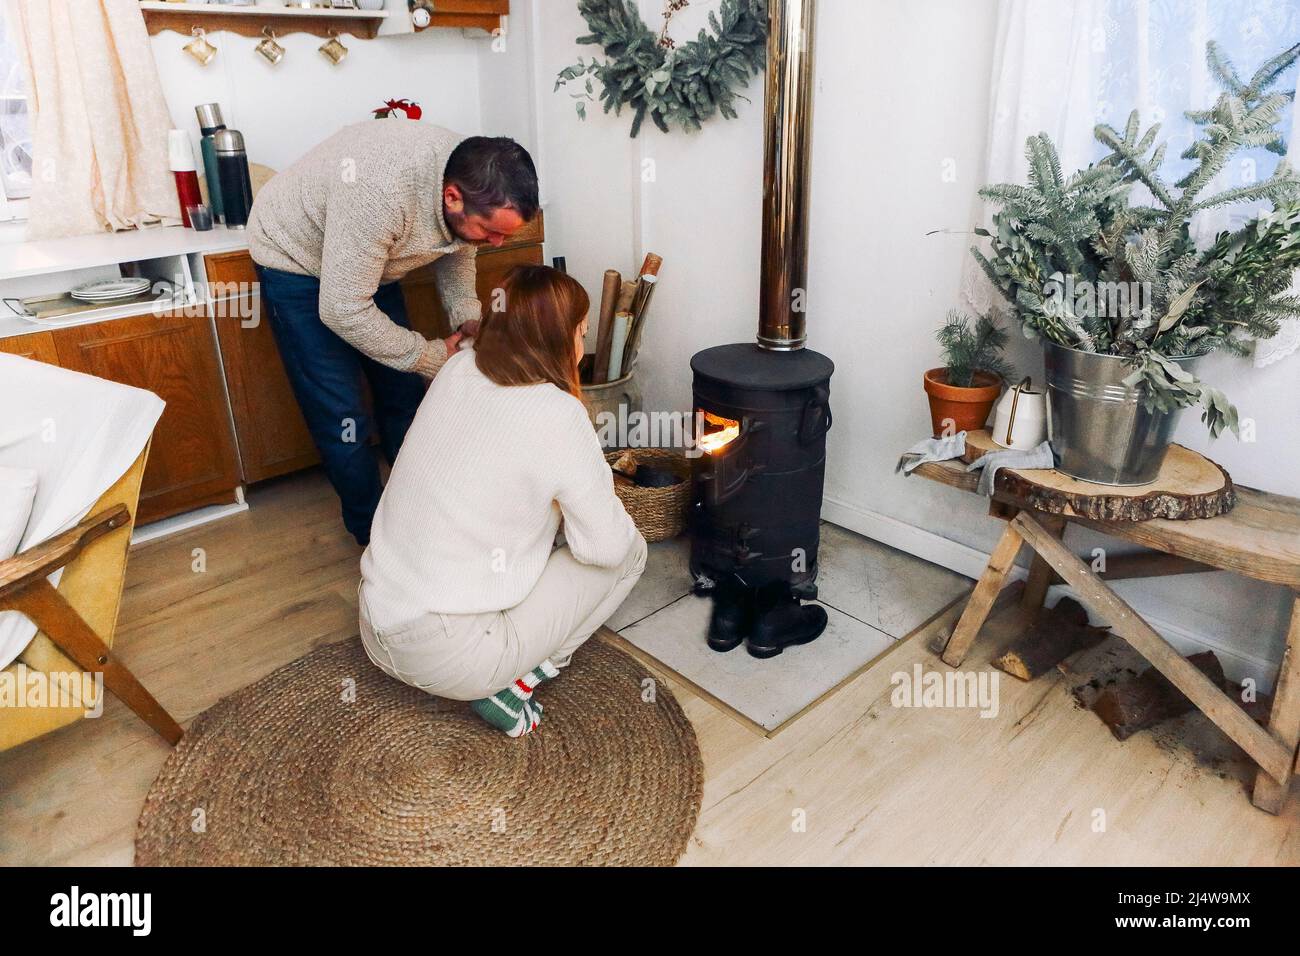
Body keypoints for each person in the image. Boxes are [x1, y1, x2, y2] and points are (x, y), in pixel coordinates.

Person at [358, 266, 647, 737]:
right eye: (580, 334)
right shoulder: (557, 413)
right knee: (630, 550)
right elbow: (608, 549)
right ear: (555, 340)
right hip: (449, 656)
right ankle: (513, 688)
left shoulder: (458, 366)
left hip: (378, 618)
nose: (581, 348)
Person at [248, 122, 539, 545]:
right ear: (451, 197)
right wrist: (431, 355)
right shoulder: (379, 194)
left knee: (402, 393)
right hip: (295, 259)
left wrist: (467, 316)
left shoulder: (469, 177)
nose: (496, 243)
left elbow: (457, 250)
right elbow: (343, 308)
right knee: (342, 416)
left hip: (365, 260)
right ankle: (374, 536)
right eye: (491, 231)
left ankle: (415, 511)